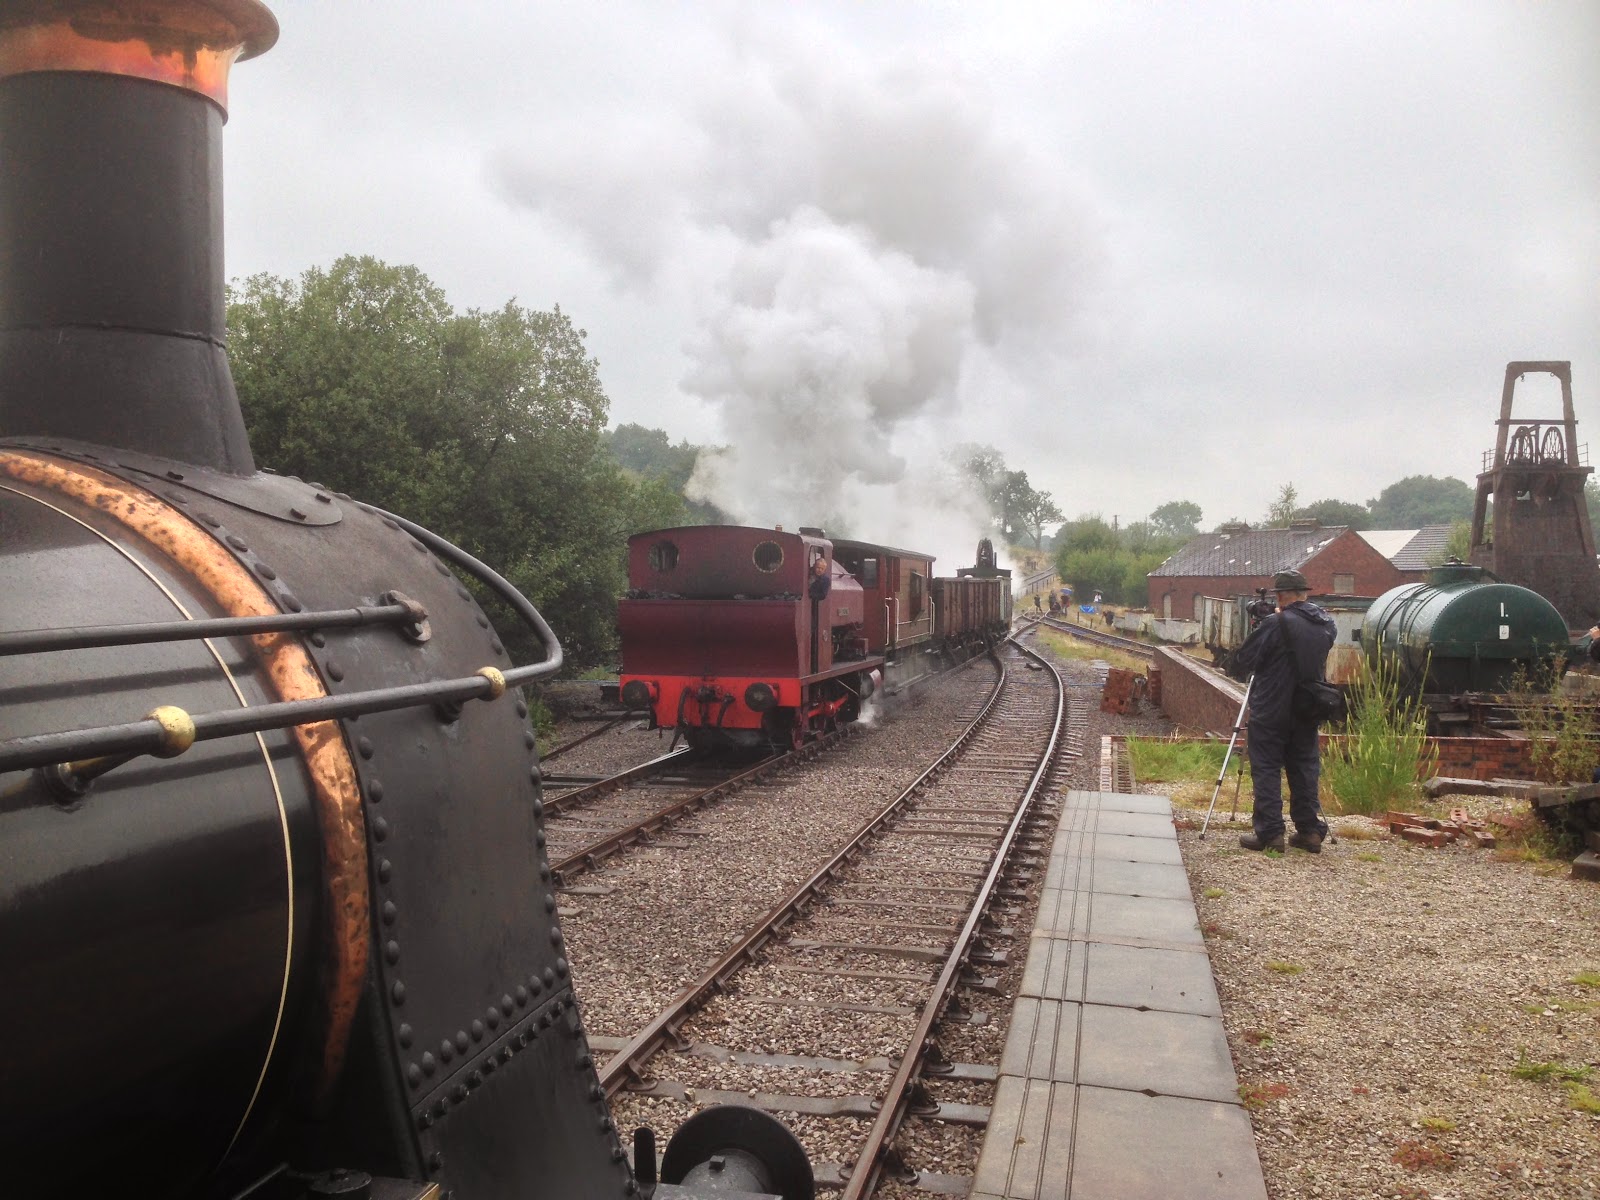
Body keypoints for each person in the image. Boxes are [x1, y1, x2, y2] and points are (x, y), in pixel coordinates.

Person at [1227, 568, 1337, 853]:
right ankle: (1309, 831)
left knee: (1266, 767)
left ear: (1281, 595)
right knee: (1304, 768)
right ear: (1304, 594)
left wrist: (1262, 627)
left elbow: (1245, 659)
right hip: (1307, 707)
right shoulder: (1326, 624)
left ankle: (1271, 833)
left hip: (1272, 707)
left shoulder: (1276, 624)